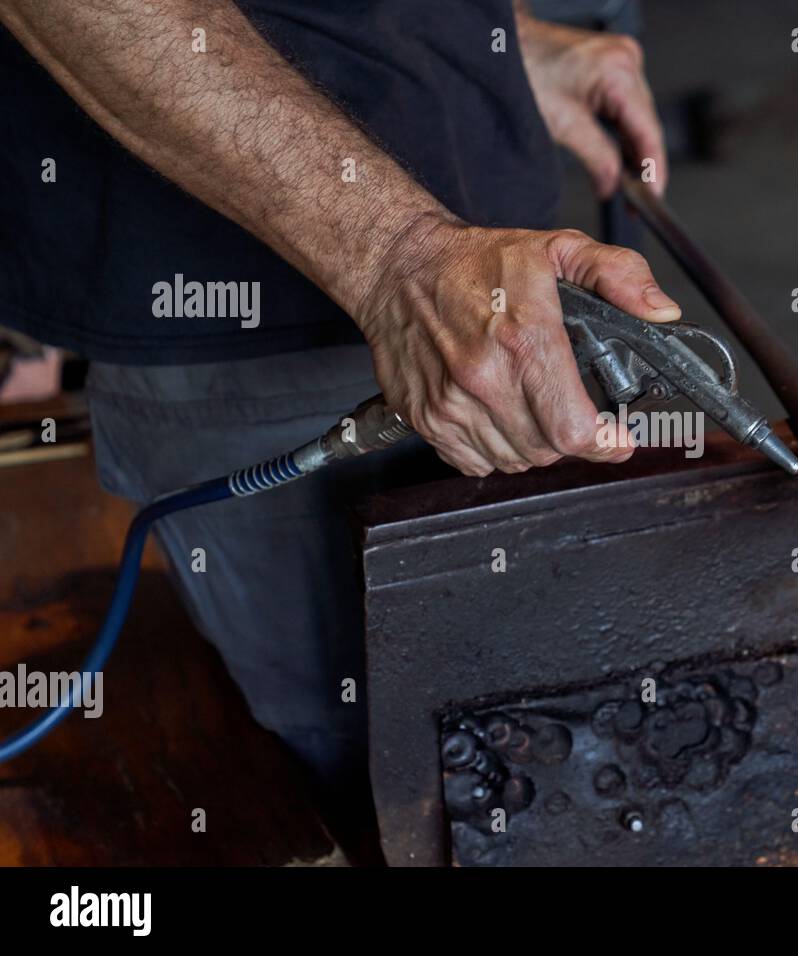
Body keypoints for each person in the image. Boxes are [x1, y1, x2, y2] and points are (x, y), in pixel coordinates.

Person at [0, 0, 676, 852]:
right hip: (259, 310)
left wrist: (491, 46)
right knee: (382, 799)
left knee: (530, 753)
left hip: (473, 270)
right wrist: (395, 258)